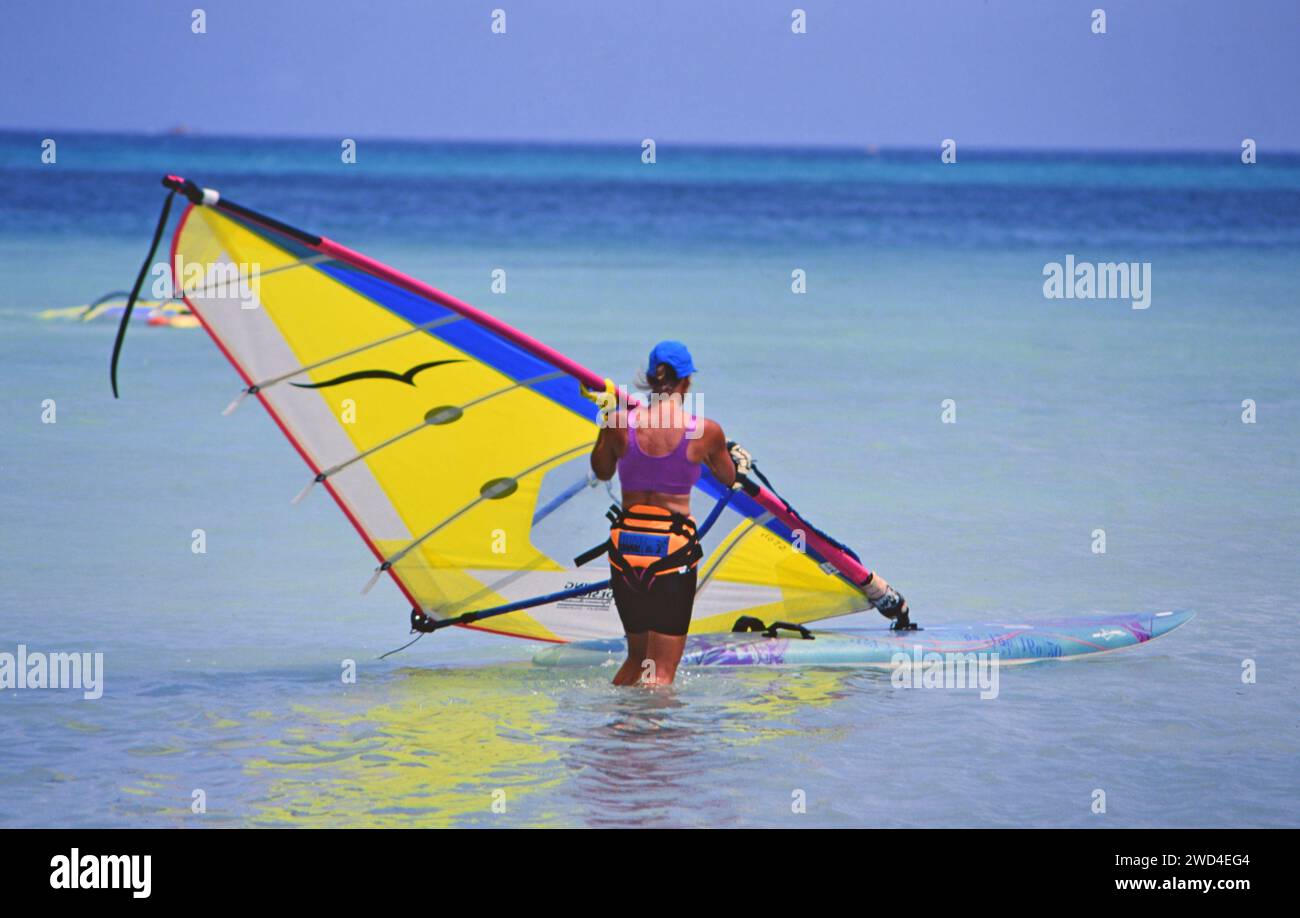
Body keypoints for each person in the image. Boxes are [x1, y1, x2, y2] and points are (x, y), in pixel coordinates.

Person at [583, 340, 910, 686]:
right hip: (670, 549)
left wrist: (604, 422)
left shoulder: (618, 423)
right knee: (661, 670)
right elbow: (728, 478)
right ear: (687, 383)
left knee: (637, 660)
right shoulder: (706, 432)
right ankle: (656, 739)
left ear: (648, 379)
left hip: (626, 545)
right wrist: (734, 457)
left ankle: (618, 730)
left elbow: (602, 471)